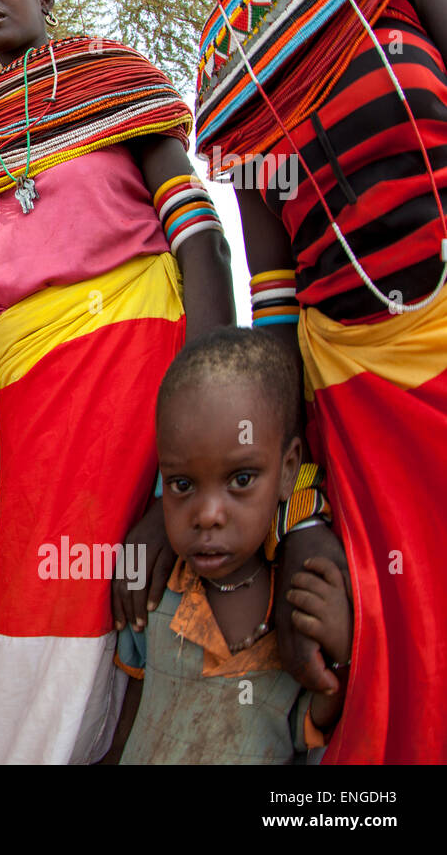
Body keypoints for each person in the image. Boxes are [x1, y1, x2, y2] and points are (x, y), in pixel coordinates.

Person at [136, 0, 447, 763]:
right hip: (354, 372)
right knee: (413, 622)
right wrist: (299, 505)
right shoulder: (223, 69)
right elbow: (271, 284)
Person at [0, 0, 234, 763]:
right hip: (31, 400)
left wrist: (218, 400)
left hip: (128, 359)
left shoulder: (108, 75)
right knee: (41, 599)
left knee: (116, 586)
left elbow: (198, 236)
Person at [107, 327, 350, 762]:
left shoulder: (300, 609)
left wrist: (339, 657)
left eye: (241, 480)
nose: (207, 515)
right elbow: (133, 708)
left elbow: (306, 729)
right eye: (182, 484)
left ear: (289, 469)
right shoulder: (156, 591)